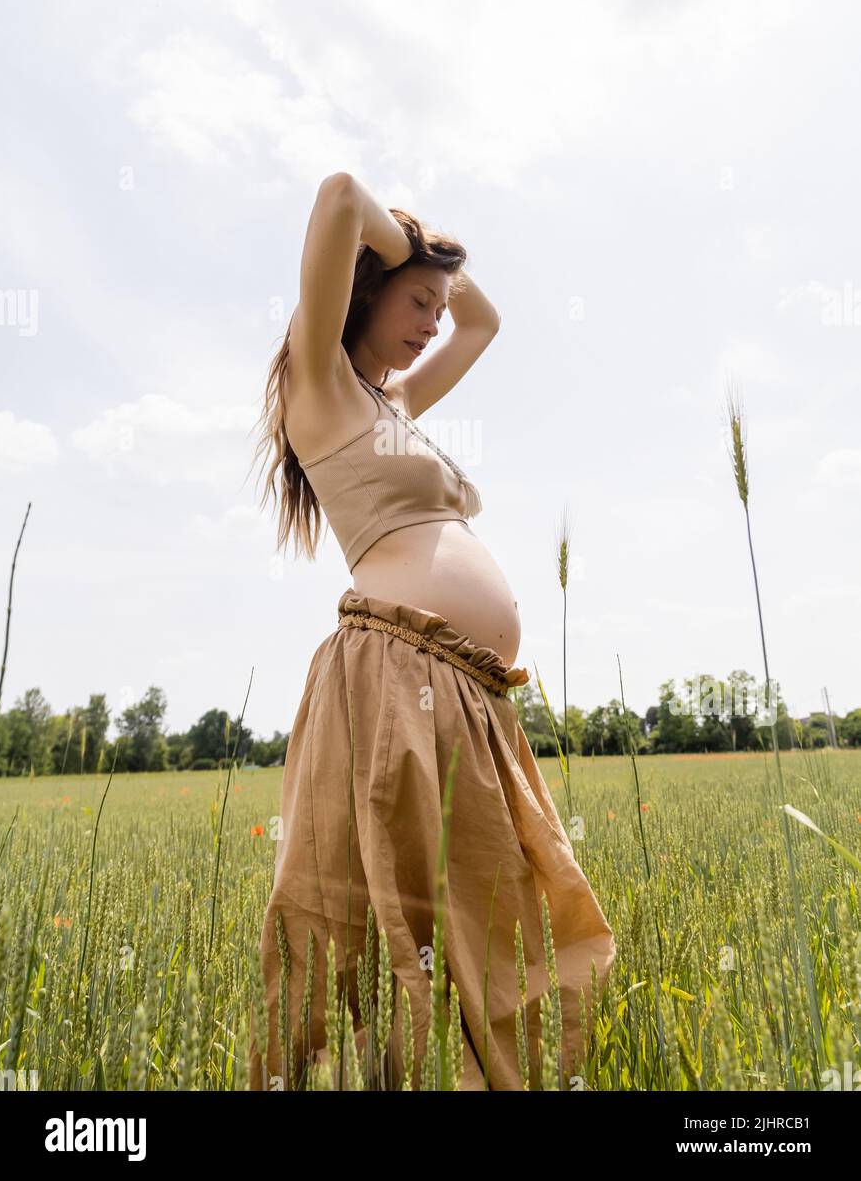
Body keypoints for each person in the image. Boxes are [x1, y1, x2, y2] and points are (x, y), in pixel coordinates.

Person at [246, 172, 615, 1091]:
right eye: (417, 304)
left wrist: (437, 267)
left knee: (490, 924)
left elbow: (485, 323)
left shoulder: (394, 406)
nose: (433, 323)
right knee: (392, 925)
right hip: (393, 672)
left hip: (466, 690)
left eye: (434, 309)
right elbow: (337, 197)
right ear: (367, 288)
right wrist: (403, 241)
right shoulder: (324, 385)